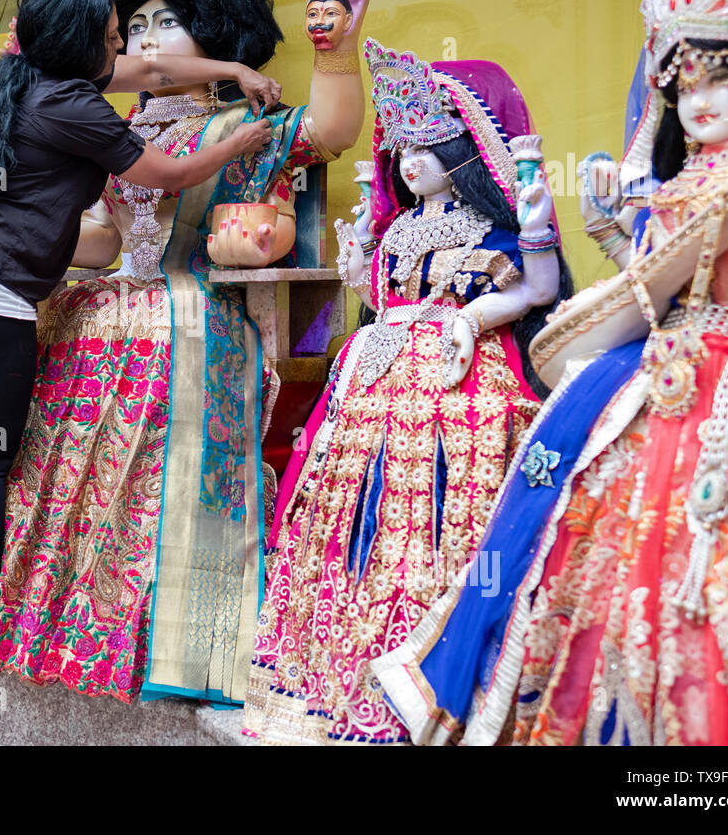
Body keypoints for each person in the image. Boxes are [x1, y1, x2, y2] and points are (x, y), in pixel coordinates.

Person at [371, 0, 728, 746]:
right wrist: (612, 233)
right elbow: (658, 283)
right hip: (666, 365)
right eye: (684, 83)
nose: (699, 101)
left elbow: (659, 285)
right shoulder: (706, 176)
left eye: (724, 75)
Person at [0, 0, 368, 705]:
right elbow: (109, 238)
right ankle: (72, 620)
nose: (146, 45)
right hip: (107, 307)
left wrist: (333, 52)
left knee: (155, 338)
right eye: (131, 27)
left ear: (207, 27)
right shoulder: (99, 122)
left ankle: (185, 640)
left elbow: (325, 133)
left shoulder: (237, 121)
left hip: (191, 312)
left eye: (163, 23)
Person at [0, 0, 277, 643]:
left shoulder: (29, 75)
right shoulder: (76, 106)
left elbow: (148, 73)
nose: (123, 46)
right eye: (115, 34)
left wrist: (233, 69)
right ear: (79, 40)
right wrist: (241, 141)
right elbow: (168, 176)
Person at [241, 41, 571, 743]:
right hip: (373, 378)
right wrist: (361, 248)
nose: (411, 163)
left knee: (440, 514)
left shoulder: (493, 228)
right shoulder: (397, 231)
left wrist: (476, 311)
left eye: (428, 147)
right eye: (404, 149)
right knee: (355, 513)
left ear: (467, 154)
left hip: (456, 381)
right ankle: (339, 653)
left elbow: (539, 289)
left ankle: (432, 655)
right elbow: (377, 297)